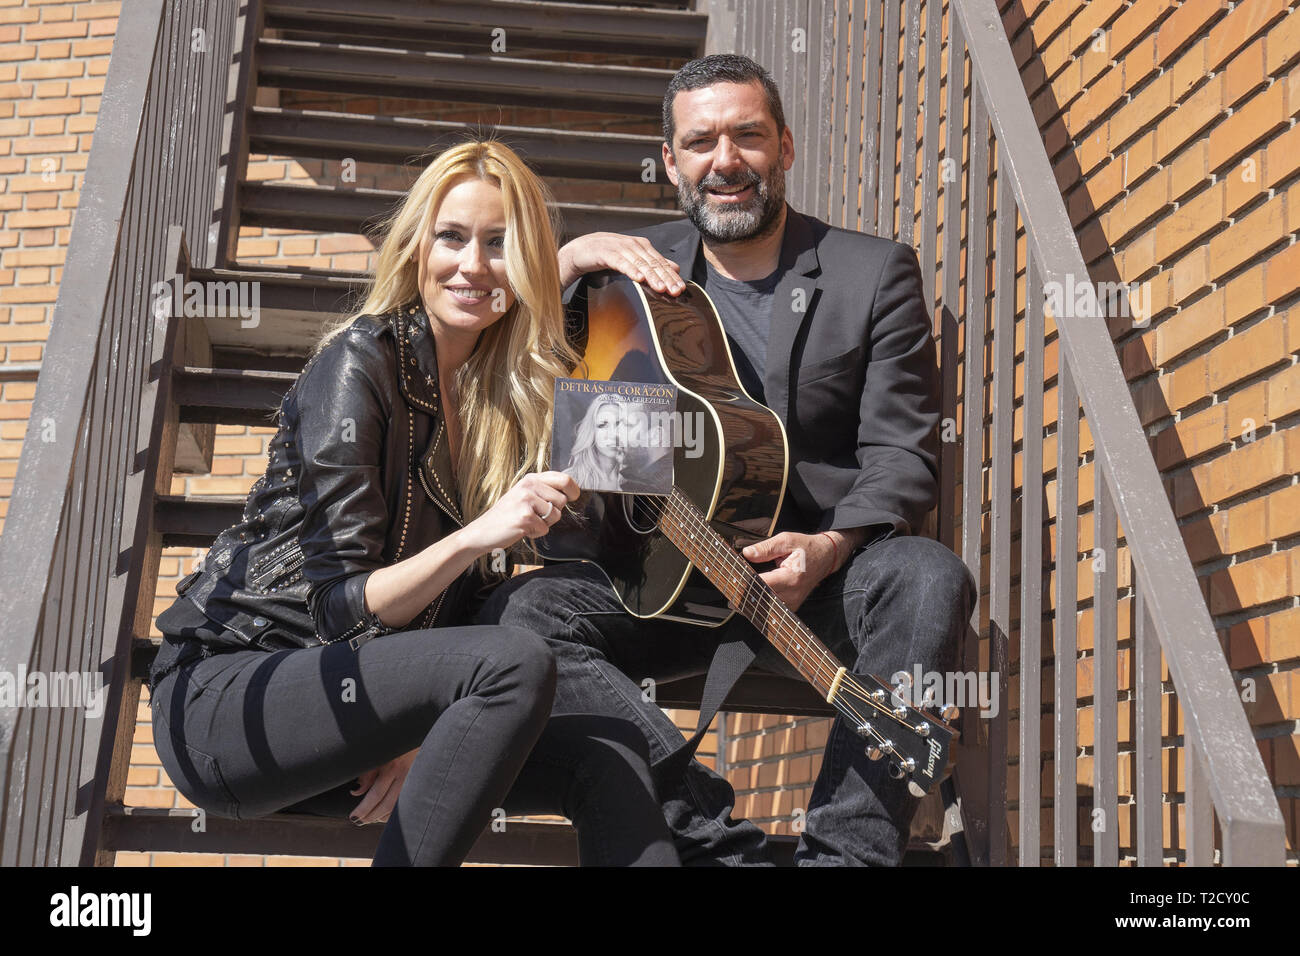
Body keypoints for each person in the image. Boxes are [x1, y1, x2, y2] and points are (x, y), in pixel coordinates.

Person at [486, 54, 978, 866]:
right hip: (664, 578)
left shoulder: (871, 273)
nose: (726, 161)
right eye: (701, 141)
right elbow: (472, 325)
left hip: (809, 583)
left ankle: (846, 852)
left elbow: (900, 453)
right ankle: (705, 838)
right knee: (521, 616)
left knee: (928, 576)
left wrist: (831, 548)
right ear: (672, 161)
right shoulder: (622, 274)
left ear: (784, 147)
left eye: (748, 136)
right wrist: (565, 262)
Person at [147, 140, 680, 866]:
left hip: (368, 715)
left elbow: (636, 465)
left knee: (612, 751)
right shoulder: (359, 365)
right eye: (451, 237)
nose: (472, 264)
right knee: (515, 662)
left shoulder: (504, 400)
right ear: (415, 245)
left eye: (501, 244)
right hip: (235, 698)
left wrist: (577, 257)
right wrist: (474, 538)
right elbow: (340, 605)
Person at [563, 392, 628, 491]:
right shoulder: (569, 478)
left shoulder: (634, 479)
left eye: (618, 424)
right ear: (591, 432)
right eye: (603, 425)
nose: (613, 434)